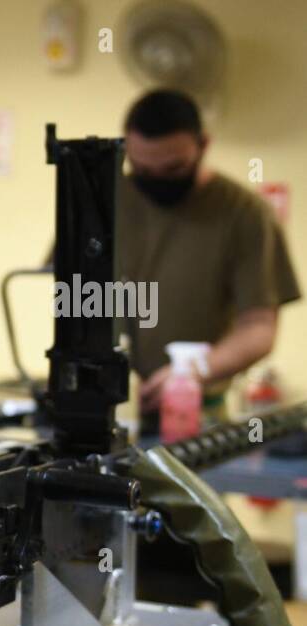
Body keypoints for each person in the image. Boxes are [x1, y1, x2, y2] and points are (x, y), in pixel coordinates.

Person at [118, 89, 300, 416]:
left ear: (203, 146)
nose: (157, 180)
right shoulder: (105, 202)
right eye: (144, 170)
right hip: (111, 409)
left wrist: (192, 372)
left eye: (173, 169)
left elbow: (258, 326)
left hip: (199, 410)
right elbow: (67, 294)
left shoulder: (244, 213)